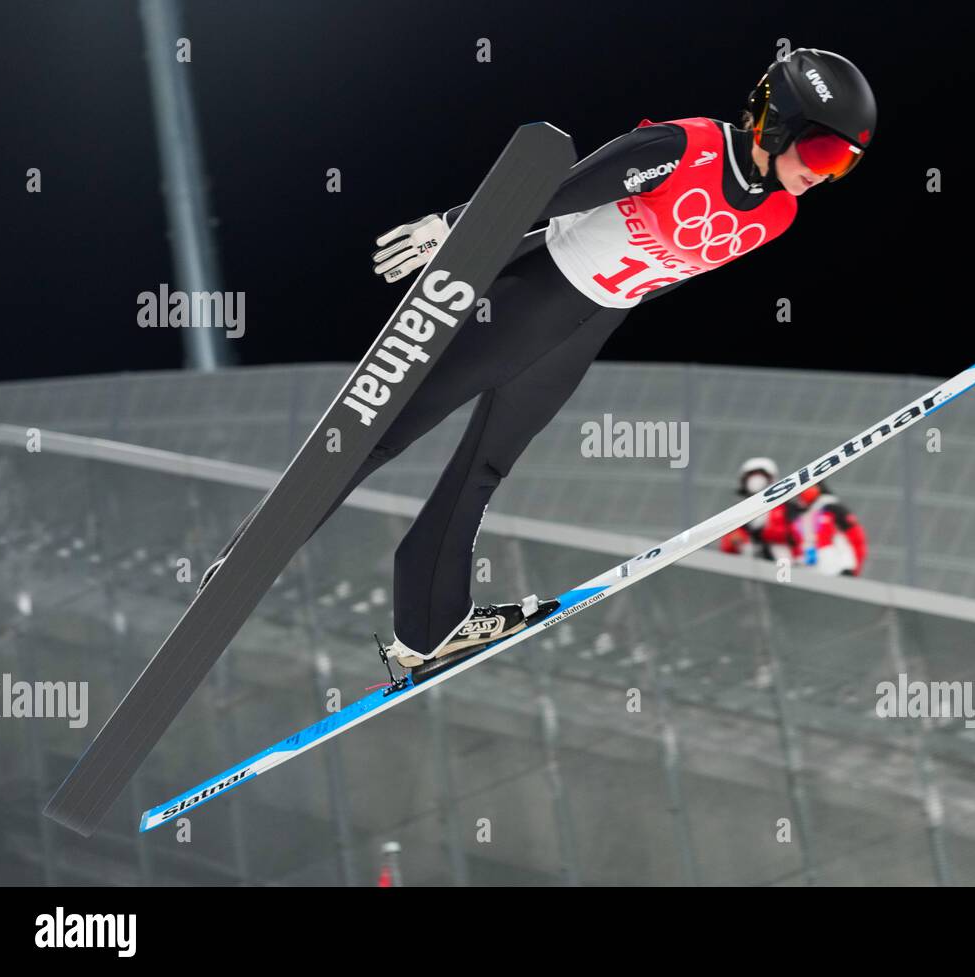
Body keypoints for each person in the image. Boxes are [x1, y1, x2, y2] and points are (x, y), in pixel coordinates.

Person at [204, 48, 877, 672]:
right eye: (822, 150)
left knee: (484, 468)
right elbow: (567, 187)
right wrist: (462, 225)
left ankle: (427, 625)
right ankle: (247, 564)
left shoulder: (778, 216)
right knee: (389, 428)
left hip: (585, 326)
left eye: (844, 166)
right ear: (778, 120)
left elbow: (661, 265)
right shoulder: (687, 147)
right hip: (533, 292)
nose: (824, 173)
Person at [791, 485, 869, 577]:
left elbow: (845, 543)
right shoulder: (799, 515)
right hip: (811, 567)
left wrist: (847, 567)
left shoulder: (831, 511)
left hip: (832, 566)